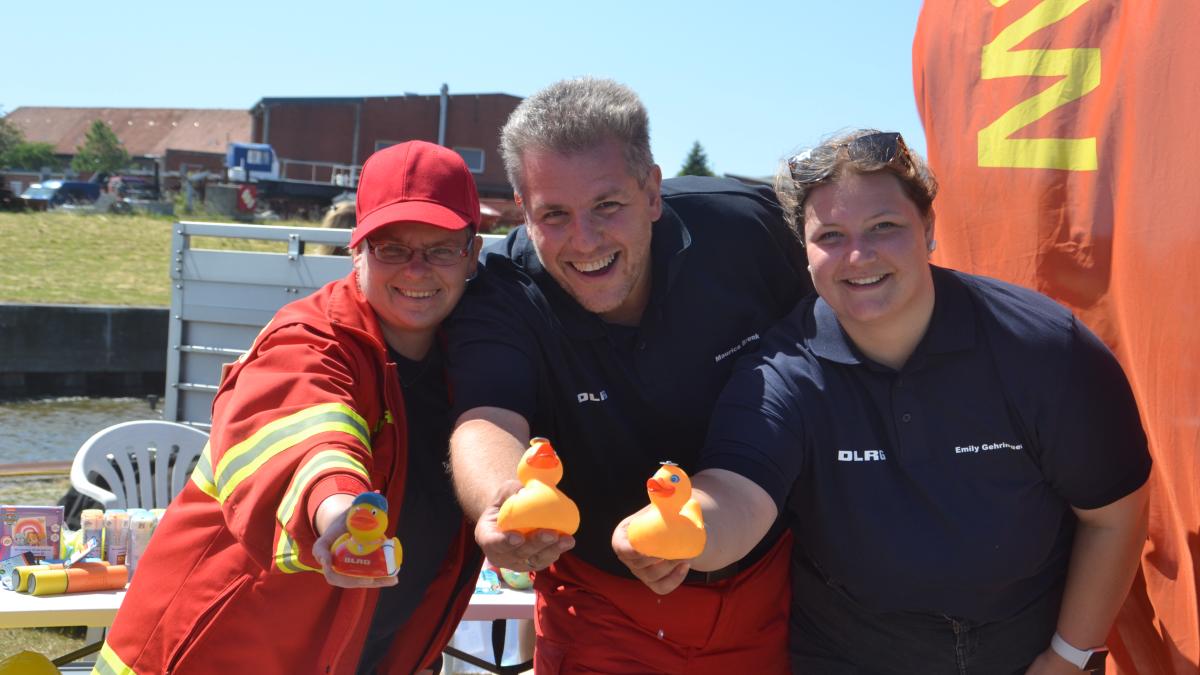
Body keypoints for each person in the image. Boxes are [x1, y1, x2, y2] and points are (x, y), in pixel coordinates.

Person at [628, 129, 1152, 673]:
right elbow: (736, 492)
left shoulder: (1043, 350)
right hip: (851, 653)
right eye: (830, 235)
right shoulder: (780, 371)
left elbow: (1114, 516)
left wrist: (1068, 656)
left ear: (927, 228)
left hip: (1030, 649)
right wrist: (683, 529)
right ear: (802, 251)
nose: (858, 255)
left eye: (884, 227)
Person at [445, 77, 811, 674]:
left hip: (778, 591)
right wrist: (502, 500)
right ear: (522, 208)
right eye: (554, 215)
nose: (584, 240)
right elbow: (487, 414)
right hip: (601, 608)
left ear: (653, 192)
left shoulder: (750, 232)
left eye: (608, 206)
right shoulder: (503, 290)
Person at [95, 140, 485, 675]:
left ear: (473, 253)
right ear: (357, 250)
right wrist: (337, 512)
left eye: (440, 248)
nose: (417, 270)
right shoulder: (308, 338)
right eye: (392, 248)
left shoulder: (476, 364)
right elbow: (307, 431)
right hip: (210, 655)